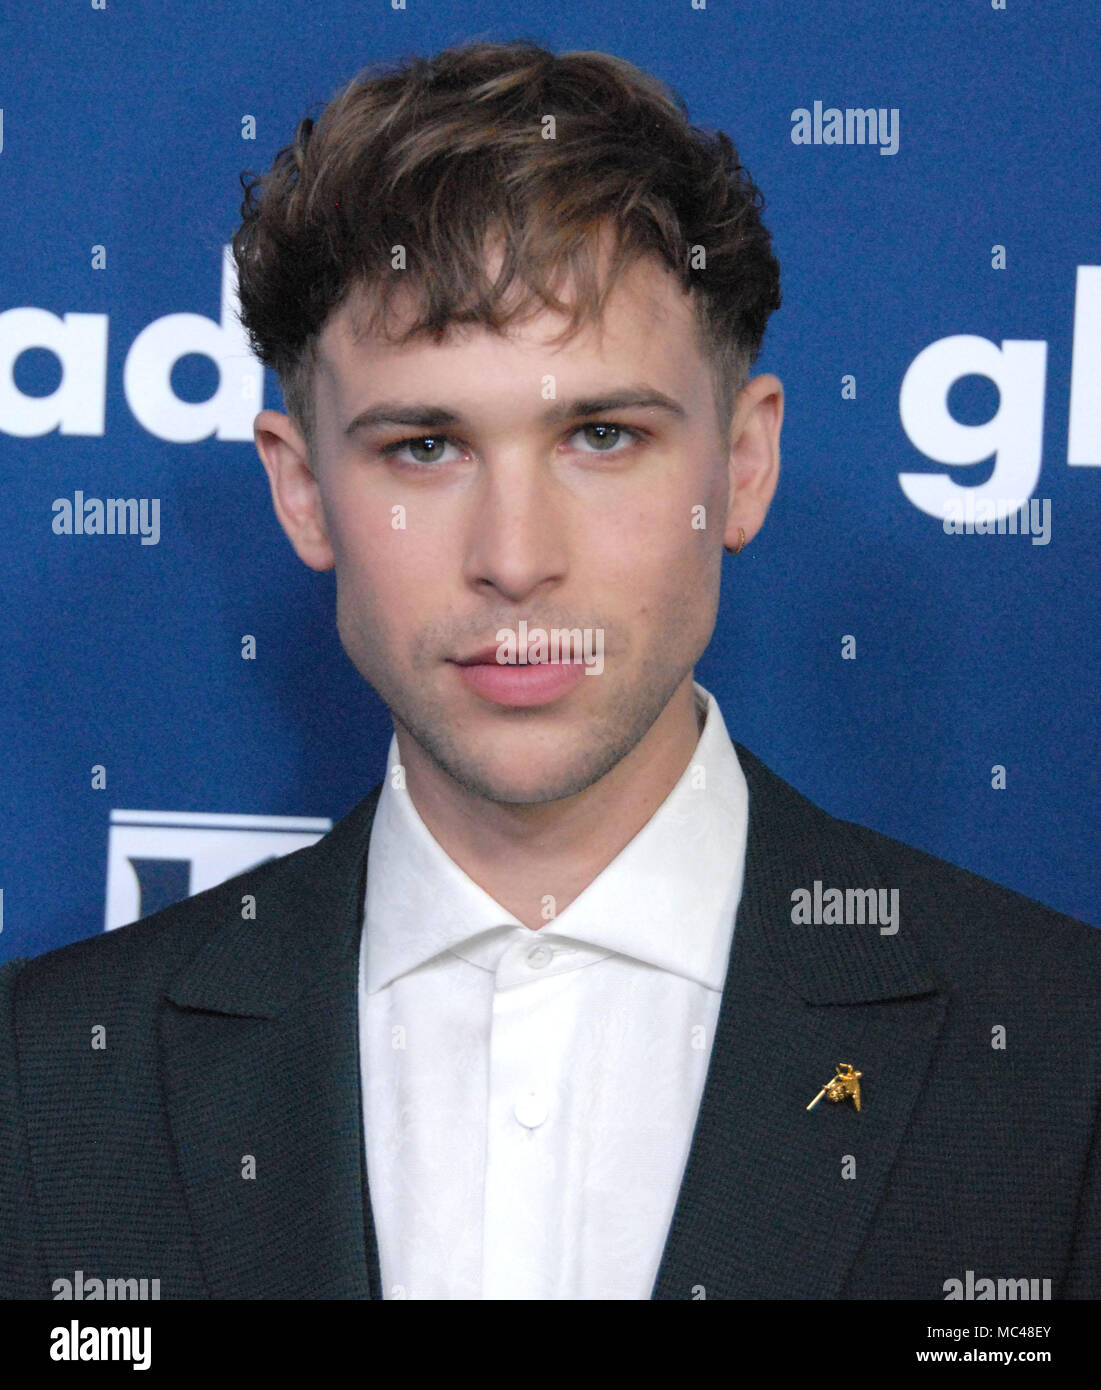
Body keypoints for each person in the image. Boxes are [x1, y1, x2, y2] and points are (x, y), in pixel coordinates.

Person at [2, 39, 1098, 1302]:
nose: (514, 561)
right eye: (424, 447)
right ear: (302, 492)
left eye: (602, 434)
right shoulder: (45, 1083)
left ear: (742, 466)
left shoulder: (1061, 1061)